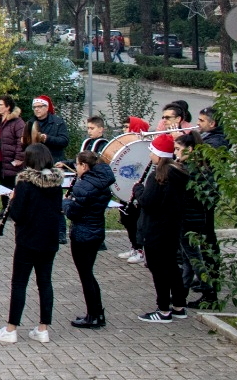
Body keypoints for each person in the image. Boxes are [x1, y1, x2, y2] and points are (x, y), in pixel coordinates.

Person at [0, 144, 64, 344]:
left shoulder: (24, 184)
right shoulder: (57, 183)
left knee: (19, 283)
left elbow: (18, 215)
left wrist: (13, 200)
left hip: (28, 240)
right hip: (49, 240)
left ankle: (11, 329)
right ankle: (43, 329)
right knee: (45, 283)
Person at [137, 133, 190, 323]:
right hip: (171, 229)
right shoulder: (179, 173)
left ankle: (163, 309)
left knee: (158, 269)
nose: (150, 154)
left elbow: (148, 202)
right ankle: (179, 305)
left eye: (152, 151)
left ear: (159, 155)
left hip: (155, 230)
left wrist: (138, 191)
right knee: (172, 267)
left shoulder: (157, 176)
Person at [64, 149, 114, 329]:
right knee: (89, 273)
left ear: (84, 166)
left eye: (77, 164)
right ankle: (97, 312)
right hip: (96, 230)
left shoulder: (84, 185)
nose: (76, 168)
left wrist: (66, 202)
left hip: (83, 233)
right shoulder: (101, 180)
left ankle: (93, 315)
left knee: (86, 275)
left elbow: (73, 212)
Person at [186, 108, 227, 308]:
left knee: (207, 244)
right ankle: (207, 288)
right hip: (203, 200)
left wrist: (190, 141)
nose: (198, 123)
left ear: (212, 124)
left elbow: (203, 162)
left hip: (205, 200)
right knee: (205, 243)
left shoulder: (216, 142)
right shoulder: (211, 138)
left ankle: (210, 294)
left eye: (202, 120)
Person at [25, 95, 69, 243]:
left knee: (54, 199)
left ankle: (61, 231)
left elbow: (64, 141)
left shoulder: (57, 122)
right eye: (35, 107)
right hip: (36, 166)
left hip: (52, 165)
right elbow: (26, 144)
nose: (36, 110)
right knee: (36, 198)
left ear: (47, 107)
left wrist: (47, 138)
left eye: (39, 107)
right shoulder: (31, 122)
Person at [118, 116, 151, 263]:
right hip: (125, 190)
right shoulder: (124, 146)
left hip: (138, 191)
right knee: (126, 219)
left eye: (127, 127)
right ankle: (133, 246)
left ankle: (140, 250)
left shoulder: (143, 147)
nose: (124, 130)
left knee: (136, 221)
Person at [0, 96, 24, 212]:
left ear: (8, 107)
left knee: (11, 185)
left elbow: (21, 140)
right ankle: (5, 208)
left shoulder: (17, 122)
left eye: (1, 105)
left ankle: (13, 209)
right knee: (2, 185)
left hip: (11, 158)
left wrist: (19, 157)